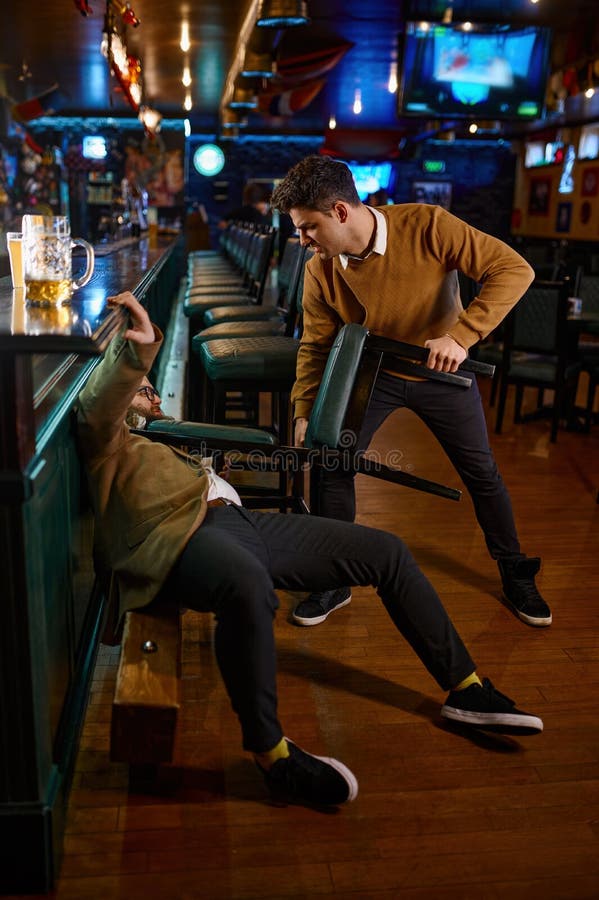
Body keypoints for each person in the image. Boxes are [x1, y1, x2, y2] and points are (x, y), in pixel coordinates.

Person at [76, 292, 543, 810]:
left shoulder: (160, 441)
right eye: (144, 394)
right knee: (246, 582)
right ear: (122, 399)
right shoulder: (110, 443)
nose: (155, 399)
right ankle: (272, 754)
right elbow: (96, 410)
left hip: (240, 521)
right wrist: (136, 350)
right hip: (183, 534)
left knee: (386, 551)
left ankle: (467, 689)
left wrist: (205, 469)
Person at [270, 155, 551, 630]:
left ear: (340, 212)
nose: (302, 241)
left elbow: (514, 270)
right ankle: (334, 580)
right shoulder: (321, 269)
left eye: (308, 227)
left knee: (481, 472)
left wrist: (462, 335)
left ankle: (514, 570)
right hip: (371, 372)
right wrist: (304, 411)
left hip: (442, 370)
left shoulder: (427, 224)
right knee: (331, 461)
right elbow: (316, 345)